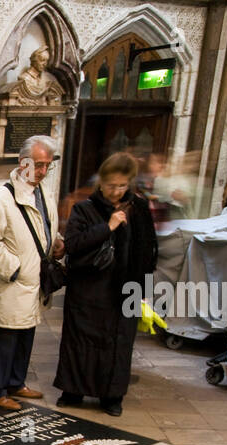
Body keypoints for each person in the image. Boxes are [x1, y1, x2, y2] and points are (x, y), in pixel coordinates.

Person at [55, 151, 158, 416]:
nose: (116, 191)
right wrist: (108, 226)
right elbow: (73, 245)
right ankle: (72, 390)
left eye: (122, 185)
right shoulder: (84, 209)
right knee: (80, 342)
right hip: (88, 290)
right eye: (111, 185)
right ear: (101, 182)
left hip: (124, 290)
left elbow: (148, 250)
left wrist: (141, 290)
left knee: (118, 345)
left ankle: (111, 396)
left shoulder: (139, 209)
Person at [0, 134, 64, 410]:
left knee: (26, 334)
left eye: (47, 165)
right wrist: (16, 270)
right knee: (5, 338)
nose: (42, 171)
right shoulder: (2, 198)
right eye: (37, 164)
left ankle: (16, 382)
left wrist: (55, 242)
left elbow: (43, 227)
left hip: (33, 282)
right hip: (11, 283)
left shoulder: (43, 193)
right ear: (22, 161)